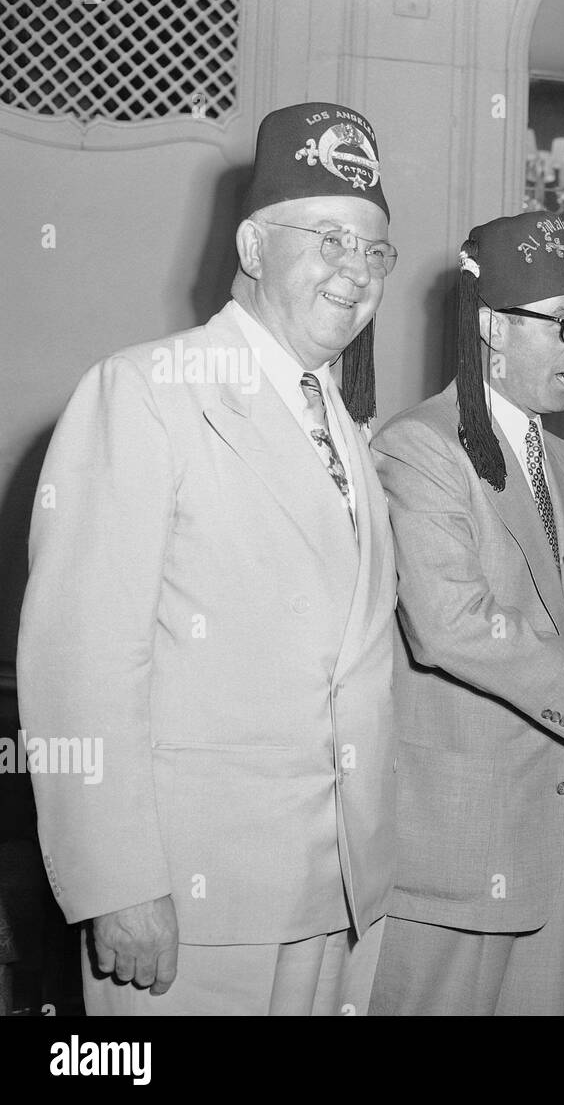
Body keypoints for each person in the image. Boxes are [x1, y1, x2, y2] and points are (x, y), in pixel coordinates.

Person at [18, 102, 399, 1014]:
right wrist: (117, 882)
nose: (356, 271)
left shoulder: (343, 425)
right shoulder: (144, 391)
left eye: (374, 249)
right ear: (254, 247)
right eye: (328, 238)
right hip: (195, 900)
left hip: (337, 889)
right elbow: (84, 656)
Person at [368, 211, 564, 1015]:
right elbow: (451, 623)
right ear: (492, 325)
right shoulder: (420, 448)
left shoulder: (555, 455)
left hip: (545, 839)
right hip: (454, 852)